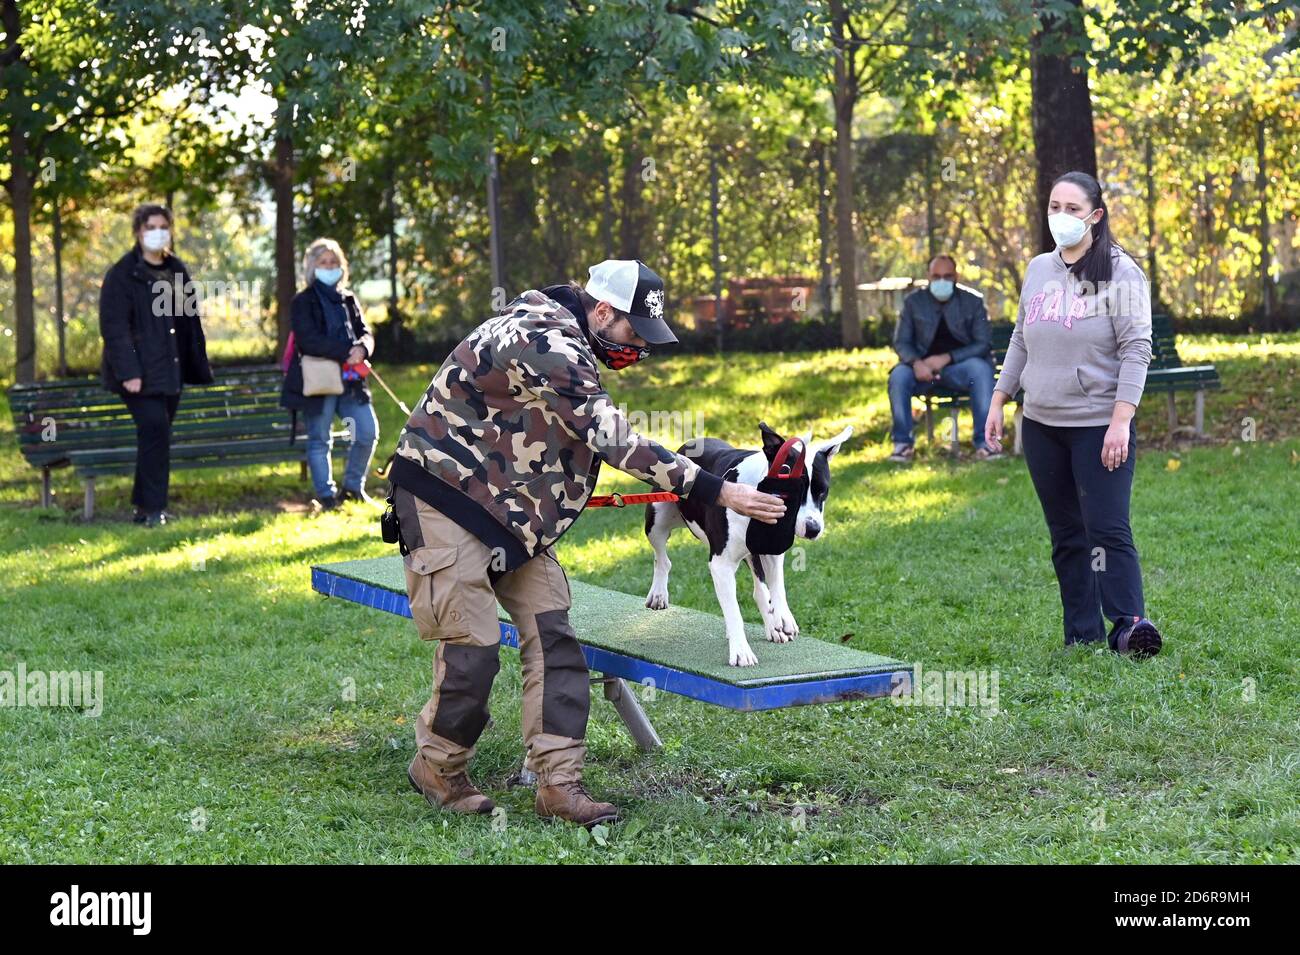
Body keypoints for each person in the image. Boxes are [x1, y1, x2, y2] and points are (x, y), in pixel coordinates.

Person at [386, 259, 785, 827]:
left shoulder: (567, 337)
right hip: (442, 498)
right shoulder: (549, 342)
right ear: (601, 311)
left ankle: (559, 785)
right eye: (631, 334)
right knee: (472, 651)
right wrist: (720, 492)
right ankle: (440, 768)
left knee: (555, 638)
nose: (638, 350)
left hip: (508, 512)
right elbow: (612, 437)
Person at [986, 171, 1163, 658]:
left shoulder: (1122, 273)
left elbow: (1136, 348)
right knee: (1067, 533)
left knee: (1106, 529)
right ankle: (1081, 633)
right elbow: (1021, 338)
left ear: (1095, 215)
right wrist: (1000, 399)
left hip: (1098, 427)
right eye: (1054, 206)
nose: (1060, 216)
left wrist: (1121, 420)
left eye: (1071, 208)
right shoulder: (1039, 268)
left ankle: (1129, 627)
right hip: (1042, 424)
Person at [99, 204, 212, 526]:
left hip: (170, 370)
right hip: (137, 374)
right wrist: (130, 372)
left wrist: (195, 363)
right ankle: (154, 509)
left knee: (156, 437)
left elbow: (188, 320)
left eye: (164, 226)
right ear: (138, 231)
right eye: (151, 226)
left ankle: (142, 506)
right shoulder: (122, 274)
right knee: (155, 430)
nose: (158, 232)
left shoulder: (176, 269)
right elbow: (114, 328)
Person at [280, 238, 378, 510]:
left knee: (366, 432)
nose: (329, 266)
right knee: (320, 438)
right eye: (323, 262)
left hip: (351, 382)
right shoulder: (302, 301)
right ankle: (326, 496)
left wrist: (362, 348)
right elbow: (307, 339)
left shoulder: (348, 298)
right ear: (312, 266)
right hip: (319, 380)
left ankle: (352, 488)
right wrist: (346, 350)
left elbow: (365, 332)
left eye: (334, 262)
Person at [887, 255, 999, 462]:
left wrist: (947, 357)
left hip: (959, 368)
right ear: (928, 276)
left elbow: (983, 343)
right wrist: (916, 363)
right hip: (921, 369)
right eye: (936, 276)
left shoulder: (973, 302)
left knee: (981, 370)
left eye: (947, 276)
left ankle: (986, 444)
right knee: (898, 376)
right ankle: (902, 444)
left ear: (956, 276)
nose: (942, 281)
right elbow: (901, 342)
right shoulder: (913, 302)